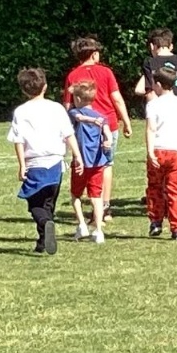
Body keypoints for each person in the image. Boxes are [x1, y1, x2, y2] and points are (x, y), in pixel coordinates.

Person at [8, 67, 79, 256]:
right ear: (45, 87)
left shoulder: (21, 112)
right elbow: (68, 133)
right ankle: (42, 241)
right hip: (55, 164)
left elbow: (19, 140)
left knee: (36, 206)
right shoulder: (56, 108)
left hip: (35, 164)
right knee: (48, 204)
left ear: (23, 90)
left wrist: (22, 165)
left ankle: (45, 225)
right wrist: (77, 155)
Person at [135, 29, 177, 221]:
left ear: (152, 46)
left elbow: (148, 90)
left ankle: (166, 202)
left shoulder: (151, 63)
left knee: (160, 160)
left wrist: (153, 113)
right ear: (171, 45)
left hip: (161, 117)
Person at [63, 37, 132, 219]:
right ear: (94, 54)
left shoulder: (72, 75)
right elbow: (116, 97)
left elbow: (68, 106)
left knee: (84, 163)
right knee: (106, 164)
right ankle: (104, 206)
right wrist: (126, 120)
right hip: (107, 123)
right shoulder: (106, 72)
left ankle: (89, 200)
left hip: (82, 129)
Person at [146, 66, 177, 241]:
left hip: (158, 148)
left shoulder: (153, 104)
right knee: (176, 190)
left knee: (155, 187)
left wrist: (150, 150)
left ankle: (156, 221)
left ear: (158, 84)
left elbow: (151, 128)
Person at [68, 81, 113, 243]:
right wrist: (107, 140)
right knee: (96, 196)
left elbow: (80, 118)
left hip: (81, 162)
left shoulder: (74, 112)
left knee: (75, 195)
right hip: (98, 162)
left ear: (78, 99)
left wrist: (94, 123)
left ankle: (82, 225)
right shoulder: (102, 116)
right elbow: (107, 132)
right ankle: (99, 231)